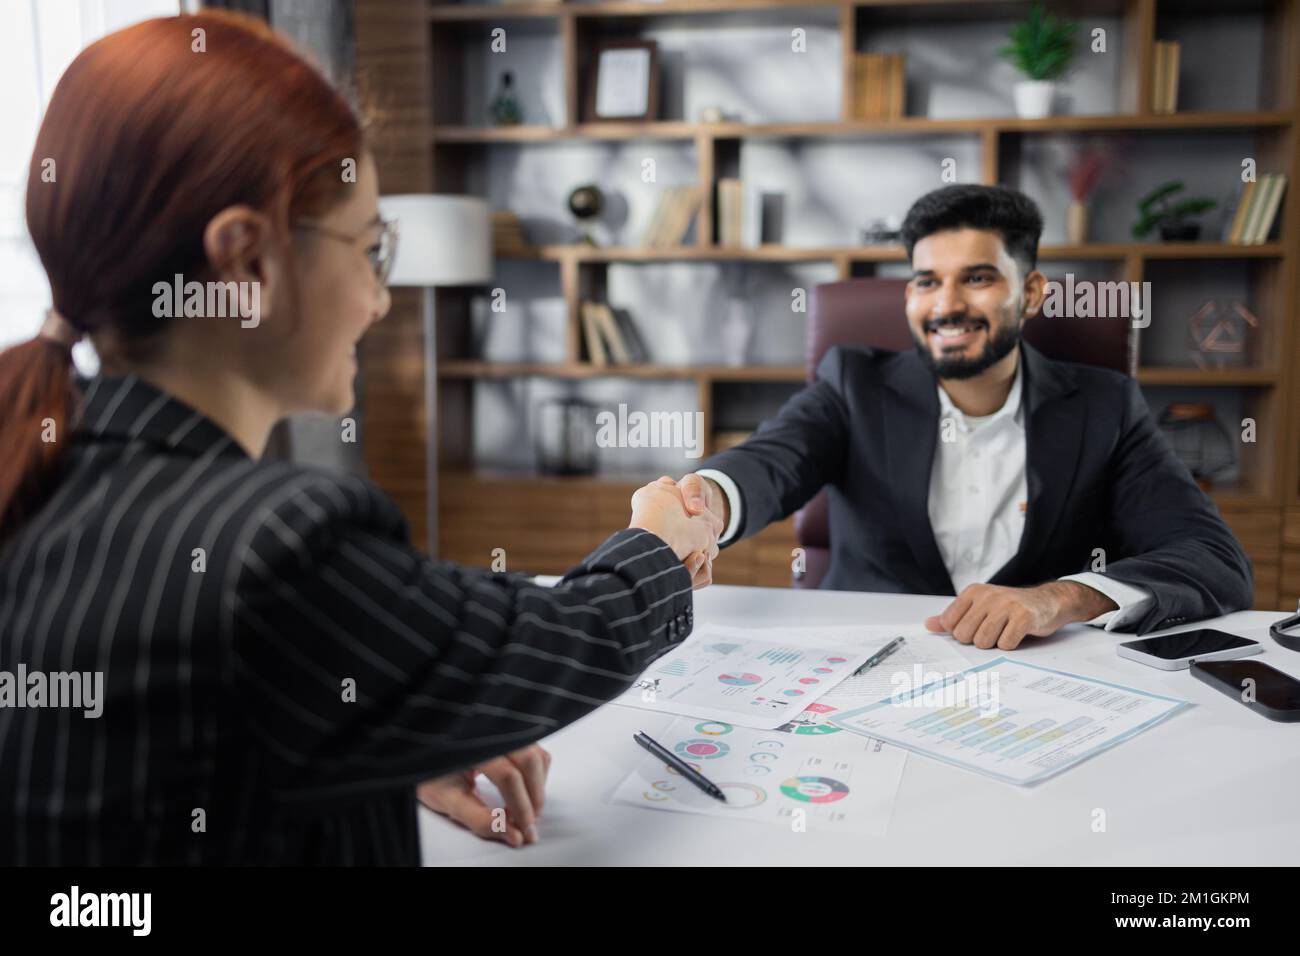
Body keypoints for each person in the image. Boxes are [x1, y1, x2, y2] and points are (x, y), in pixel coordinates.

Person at [0, 11, 720, 865]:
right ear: (246, 260)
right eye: (371, 248)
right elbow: (558, 640)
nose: (382, 300)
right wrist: (661, 542)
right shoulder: (278, 545)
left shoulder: (38, 469)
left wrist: (377, 737)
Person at [673, 184, 1252, 650]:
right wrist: (703, 509)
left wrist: (1060, 598)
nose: (947, 305)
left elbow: (1214, 561)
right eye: (927, 282)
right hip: (864, 667)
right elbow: (769, 462)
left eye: (977, 278)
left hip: (1035, 680)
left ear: (1029, 293)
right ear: (909, 299)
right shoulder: (853, 383)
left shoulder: (1107, 405)